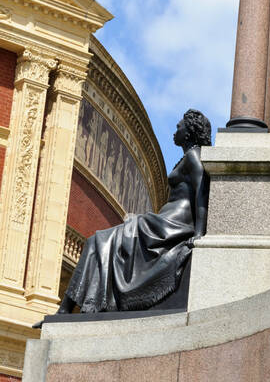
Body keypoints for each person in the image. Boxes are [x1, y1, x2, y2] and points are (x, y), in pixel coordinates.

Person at [53, 108, 211, 315]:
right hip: (160, 222)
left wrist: (199, 234)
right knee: (97, 242)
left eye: (179, 126)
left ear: (189, 131)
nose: (175, 130)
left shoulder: (194, 156)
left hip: (169, 226)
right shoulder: (187, 157)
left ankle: (69, 309)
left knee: (100, 241)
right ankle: (67, 309)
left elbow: (202, 192)